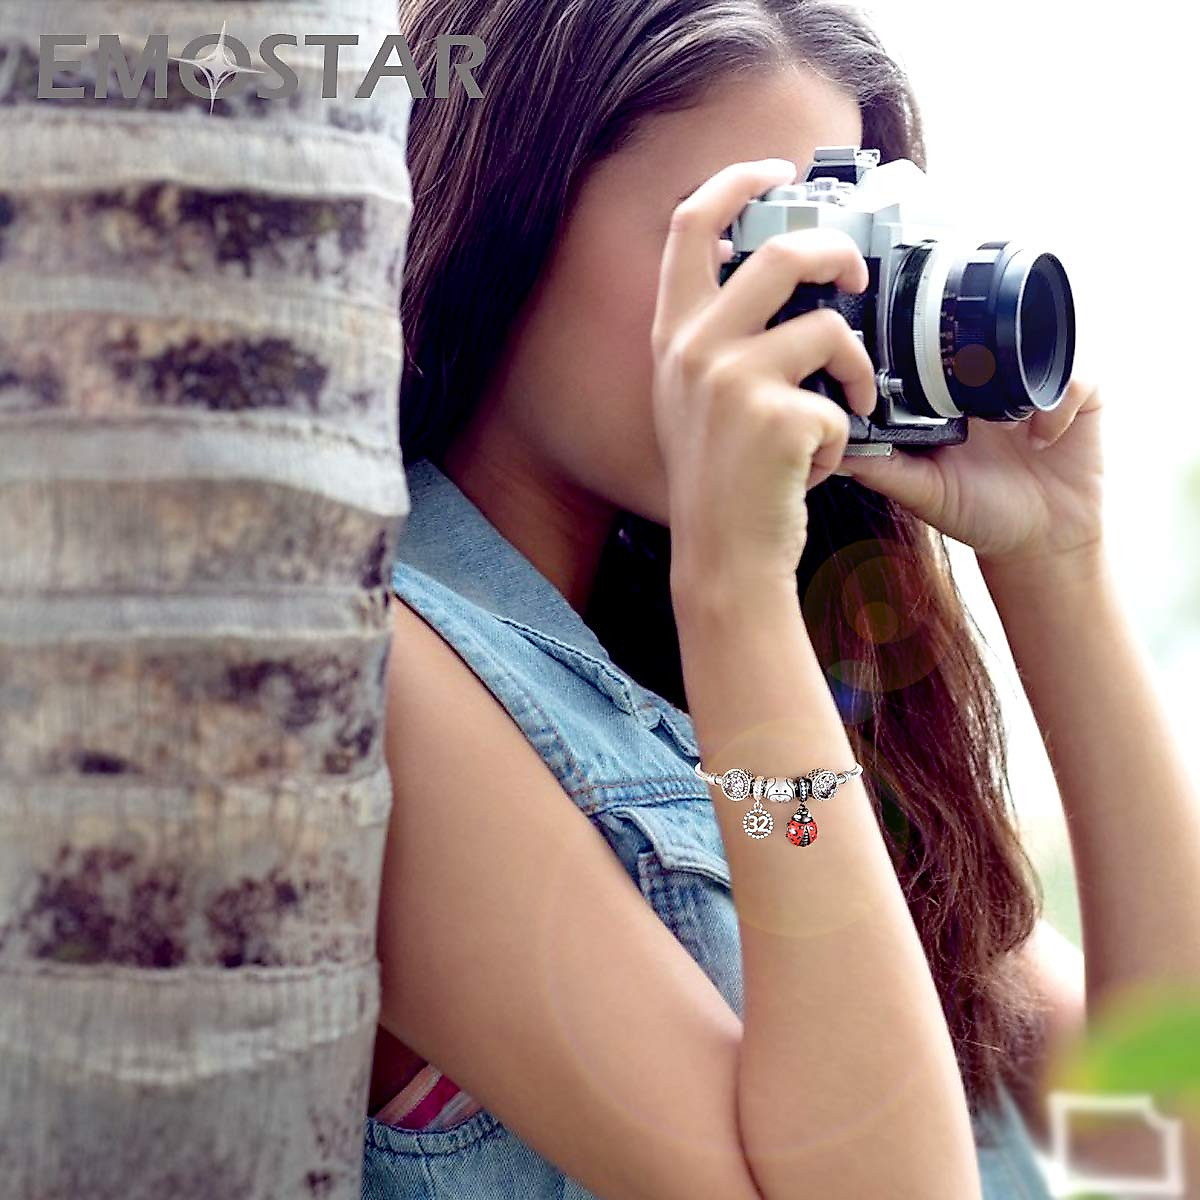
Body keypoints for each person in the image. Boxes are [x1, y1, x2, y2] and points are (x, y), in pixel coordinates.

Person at [363, 1, 1200, 1198]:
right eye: (750, 244)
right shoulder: (377, 677)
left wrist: (1058, 569)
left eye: (835, 250)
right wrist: (733, 585)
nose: (798, 317)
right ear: (511, 213)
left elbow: (1154, 1124)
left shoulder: (761, 692)